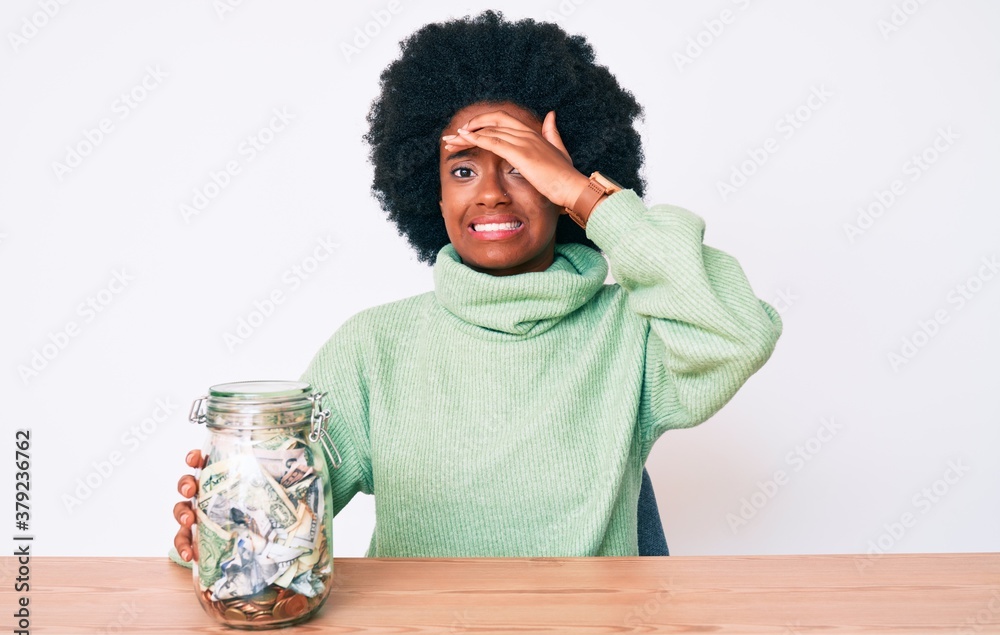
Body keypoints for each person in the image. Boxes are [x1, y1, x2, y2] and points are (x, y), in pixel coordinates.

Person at [173, 10, 782, 561]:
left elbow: (736, 334)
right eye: (463, 169)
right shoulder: (373, 347)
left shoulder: (632, 333)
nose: (490, 192)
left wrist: (585, 196)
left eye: (522, 166)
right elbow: (277, 519)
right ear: (430, 194)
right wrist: (220, 526)